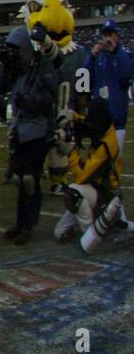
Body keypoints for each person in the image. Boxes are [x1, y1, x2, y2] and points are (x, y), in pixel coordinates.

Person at [1, 25, 59, 246]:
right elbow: (2, 86)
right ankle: (21, 222)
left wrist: (29, 101)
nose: (11, 53)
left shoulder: (41, 65)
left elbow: (48, 98)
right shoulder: (19, 70)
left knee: (29, 179)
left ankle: (28, 225)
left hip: (38, 130)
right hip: (21, 130)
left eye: (14, 48)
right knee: (19, 179)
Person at [55, 98, 122, 246]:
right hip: (95, 191)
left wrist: (70, 151)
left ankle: (92, 234)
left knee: (73, 193)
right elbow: (88, 122)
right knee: (59, 233)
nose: (92, 126)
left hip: (107, 195)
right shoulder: (104, 127)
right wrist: (73, 116)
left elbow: (81, 177)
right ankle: (100, 222)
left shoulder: (106, 145)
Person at [84, 19, 131, 149]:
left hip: (116, 123)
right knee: (97, 165)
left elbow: (127, 74)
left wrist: (116, 51)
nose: (108, 38)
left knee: (113, 165)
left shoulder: (125, 55)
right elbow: (83, 81)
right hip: (98, 122)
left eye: (111, 34)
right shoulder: (97, 57)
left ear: (117, 35)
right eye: (105, 34)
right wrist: (92, 56)